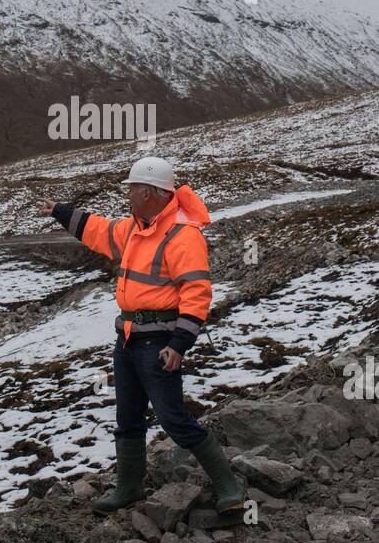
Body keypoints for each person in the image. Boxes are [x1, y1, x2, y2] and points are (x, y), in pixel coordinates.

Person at [36, 155, 244, 515]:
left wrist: (179, 345)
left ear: (151, 192)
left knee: (174, 418)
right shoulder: (135, 228)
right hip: (129, 339)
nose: (128, 194)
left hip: (159, 342)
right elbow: (98, 230)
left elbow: (197, 293)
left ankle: (229, 486)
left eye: (132, 188)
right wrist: (59, 211)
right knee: (128, 418)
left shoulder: (183, 236)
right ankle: (129, 488)